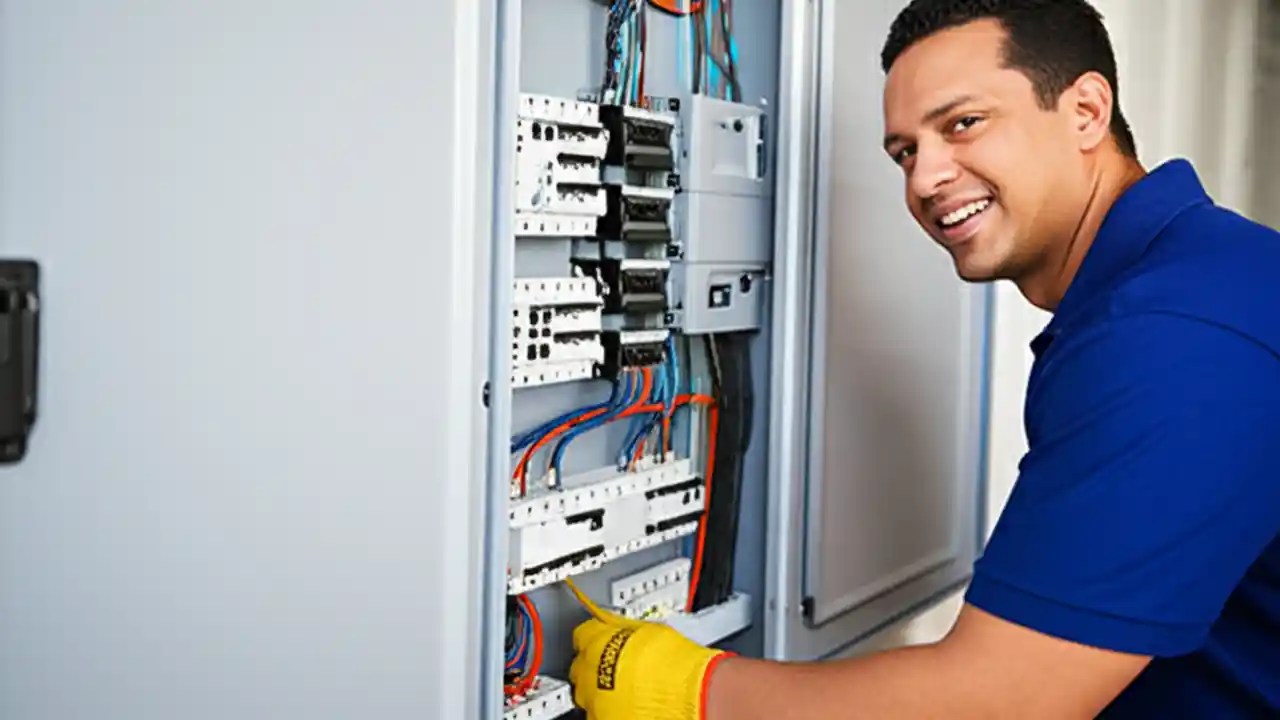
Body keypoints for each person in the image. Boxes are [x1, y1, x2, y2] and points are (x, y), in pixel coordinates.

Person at [565, 0, 1280, 717]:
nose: (924, 178)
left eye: (963, 123)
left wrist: (687, 690)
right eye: (905, 151)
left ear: (1086, 111)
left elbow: (1000, 701)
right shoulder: (1197, 281)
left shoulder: (1176, 336)